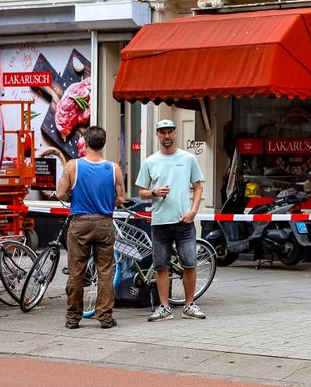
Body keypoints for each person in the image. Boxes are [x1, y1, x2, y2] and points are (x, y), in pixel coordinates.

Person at [136, 119, 206, 322]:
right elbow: (141, 192)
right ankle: (164, 307)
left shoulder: (188, 158)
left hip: (184, 220)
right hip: (160, 221)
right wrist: (154, 192)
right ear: (157, 135)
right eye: (162, 132)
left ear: (175, 134)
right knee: (161, 266)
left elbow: (198, 186)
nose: (166, 136)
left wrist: (193, 210)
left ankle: (189, 305)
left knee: (189, 263)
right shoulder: (150, 161)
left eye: (170, 132)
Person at [56, 126, 124, 329]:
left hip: (80, 224)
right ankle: (105, 316)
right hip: (104, 223)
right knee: (105, 272)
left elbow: (60, 194)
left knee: (76, 272)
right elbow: (122, 198)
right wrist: (104, 202)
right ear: (103, 144)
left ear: (85, 142)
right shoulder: (114, 168)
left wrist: (72, 196)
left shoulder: (72, 166)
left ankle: (72, 318)